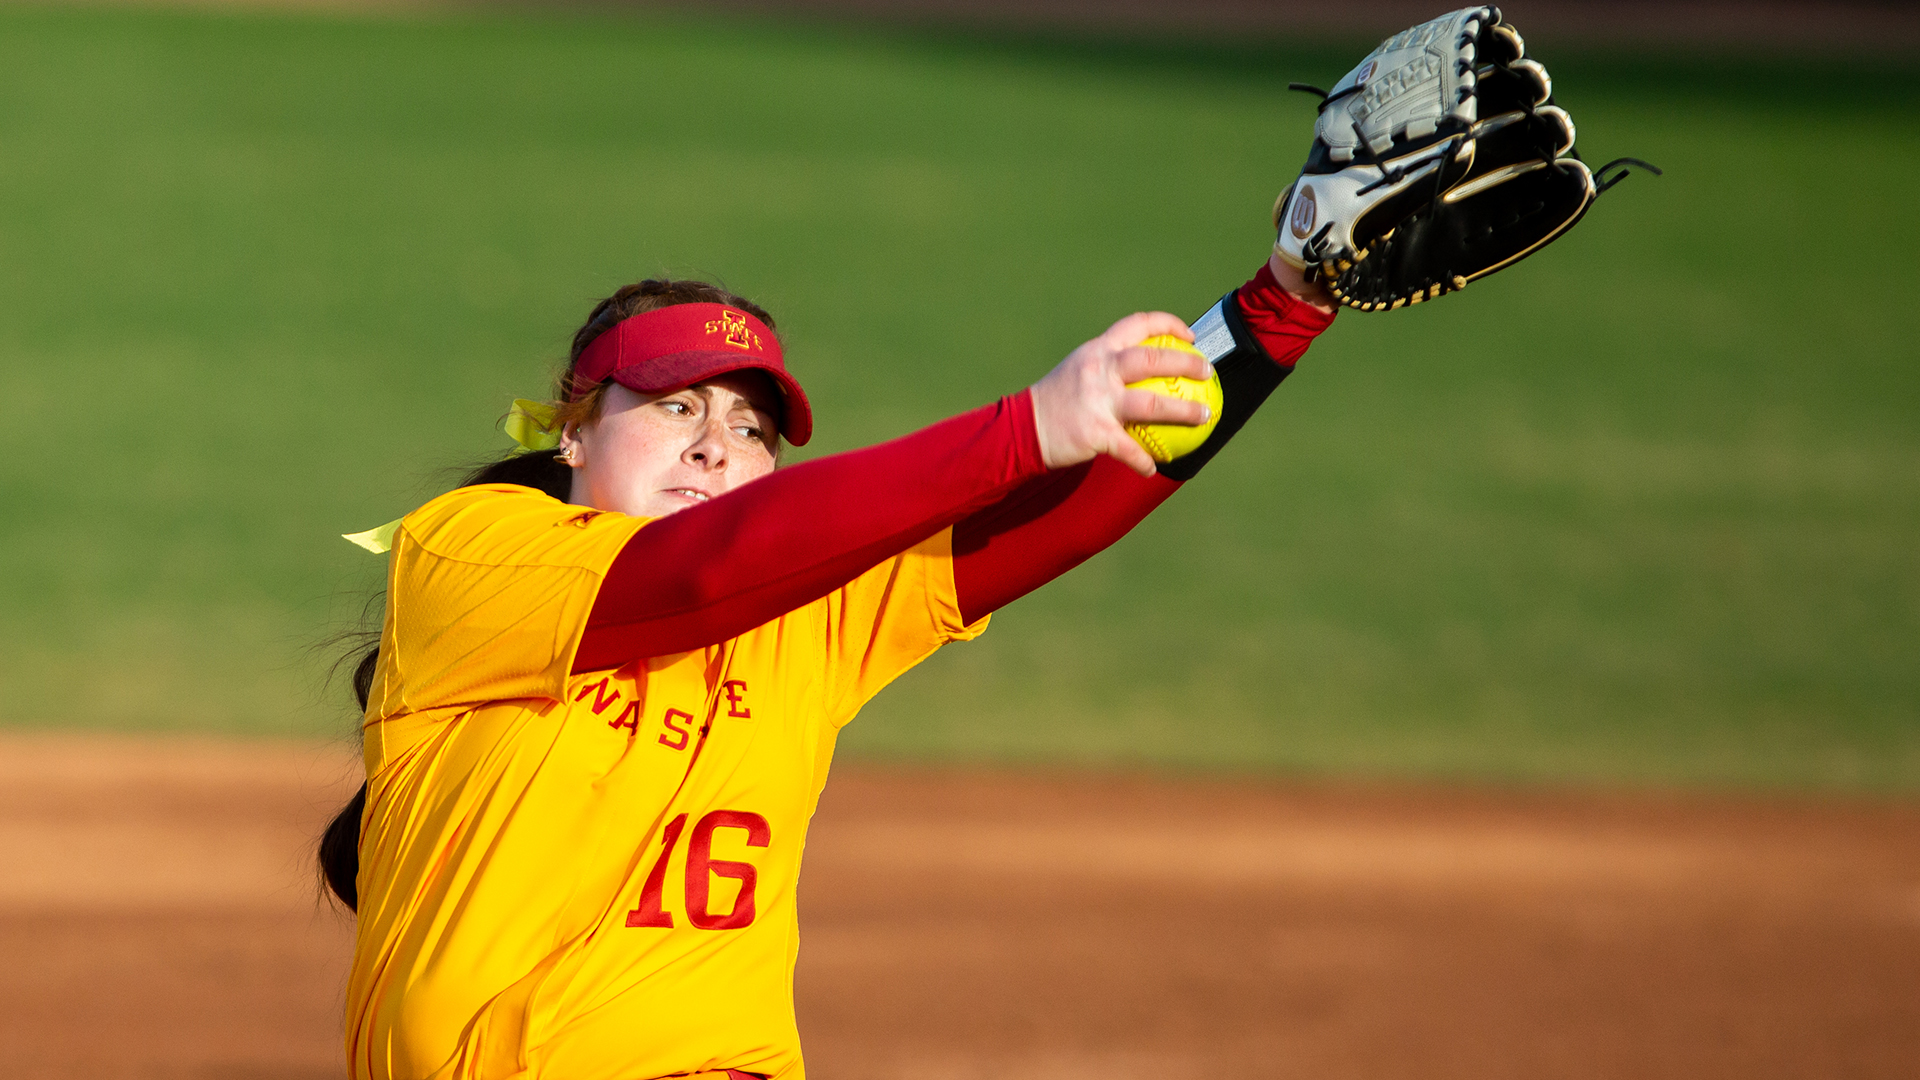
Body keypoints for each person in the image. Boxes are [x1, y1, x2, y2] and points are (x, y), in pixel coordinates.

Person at [319, 251, 1335, 1080]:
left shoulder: (808, 608)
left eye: (751, 429)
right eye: (678, 409)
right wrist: (1024, 427)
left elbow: (1047, 520)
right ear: (574, 431)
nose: (718, 448)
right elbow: (694, 572)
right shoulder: (469, 554)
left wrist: (1288, 297)